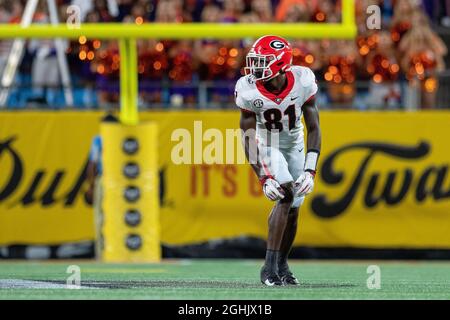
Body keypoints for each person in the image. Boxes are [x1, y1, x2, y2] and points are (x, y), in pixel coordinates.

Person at [236, 35, 322, 286]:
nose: (255, 68)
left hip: (294, 143)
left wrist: (310, 169)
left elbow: (314, 127)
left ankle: (282, 264)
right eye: (255, 61)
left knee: (294, 208)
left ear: (280, 64)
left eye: (262, 62)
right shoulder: (248, 88)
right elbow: (249, 137)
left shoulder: (303, 81)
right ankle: (268, 268)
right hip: (266, 142)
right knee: (284, 193)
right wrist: (263, 177)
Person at [86, 112, 119, 258]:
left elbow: (92, 164)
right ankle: (115, 251)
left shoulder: (99, 140)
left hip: (105, 179)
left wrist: (91, 185)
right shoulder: (119, 138)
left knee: (101, 216)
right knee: (115, 215)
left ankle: (102, 252)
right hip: (117, 180)